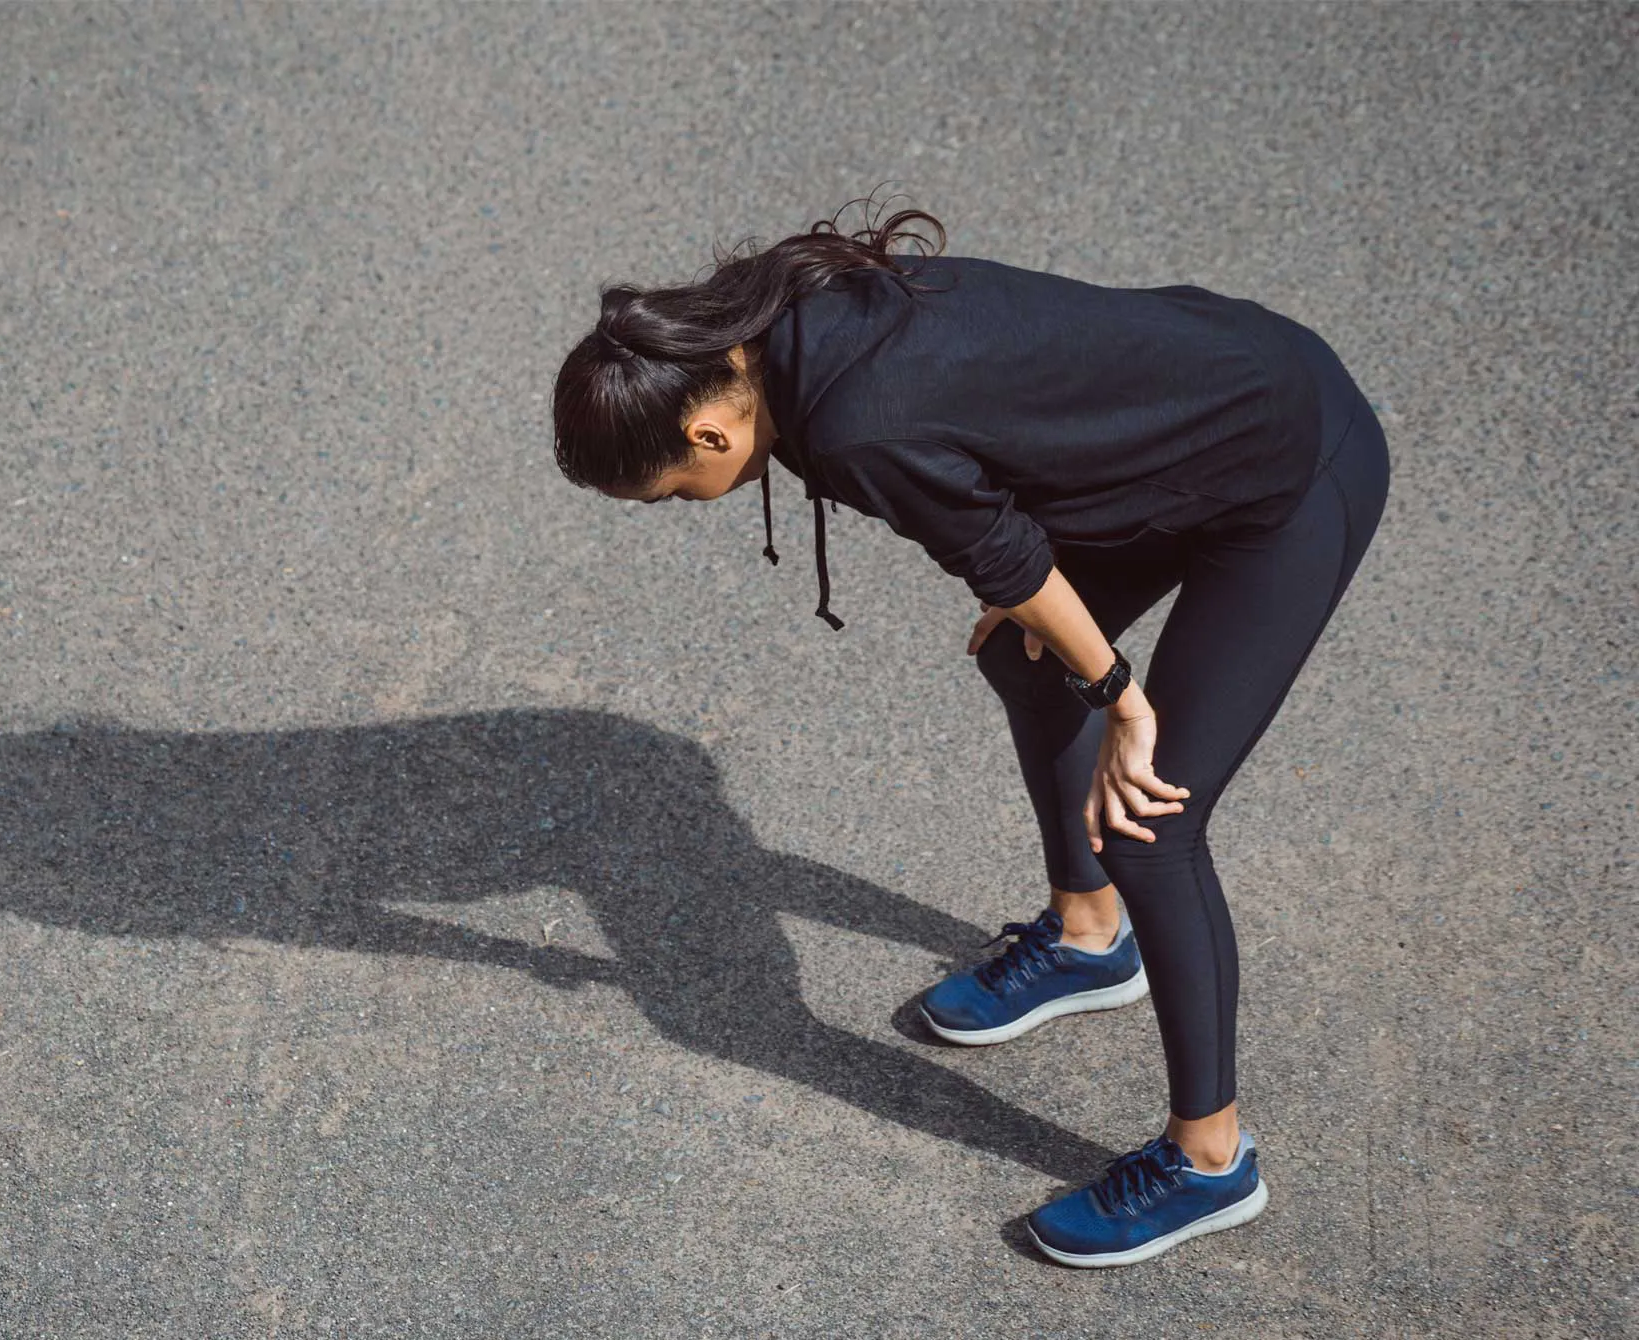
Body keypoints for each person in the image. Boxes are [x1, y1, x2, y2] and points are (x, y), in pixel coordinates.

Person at [548, 193, 1389, 1267]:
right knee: (1022, 656)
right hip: (1190, 418)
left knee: (1148, 824)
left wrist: (1123, 700)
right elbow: (996, 462)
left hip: (1288, 465)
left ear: (707, 431)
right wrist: (1044, 612)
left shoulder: (855, 425)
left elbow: (992, 542)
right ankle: (1089, 938)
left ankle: (1210, 1161)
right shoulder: (767, 328)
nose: (687, 502)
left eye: (674, 491)